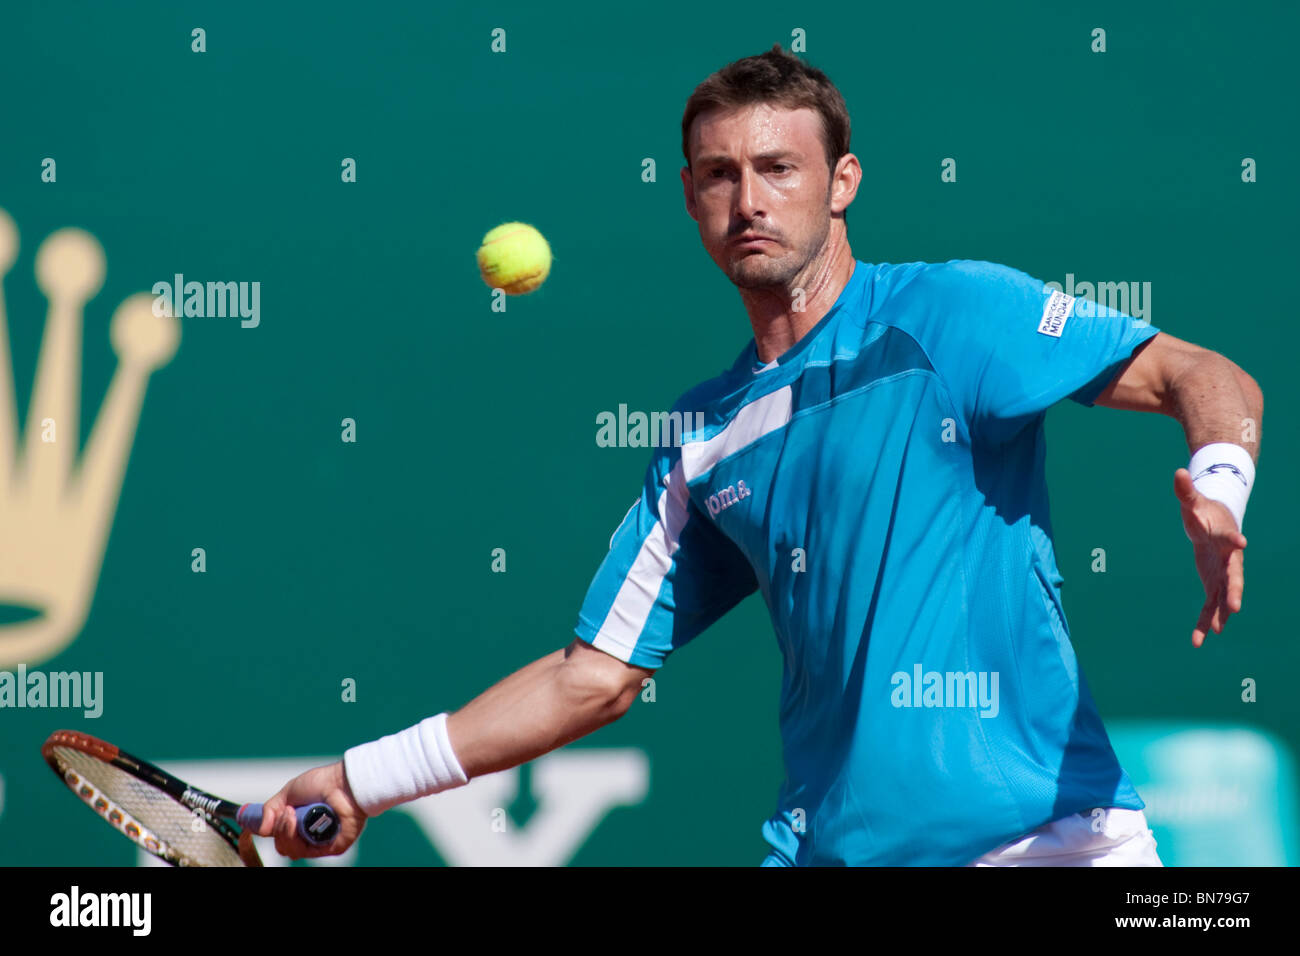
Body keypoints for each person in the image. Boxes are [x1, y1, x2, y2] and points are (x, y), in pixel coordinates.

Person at [254, 44, 1262, 866]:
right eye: (720, 175)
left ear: (841, 182)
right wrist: (362, 777)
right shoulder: (703, 436)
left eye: (779, 168)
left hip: (1052, 845)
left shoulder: (948, 315)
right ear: (689, 196)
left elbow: (1200, 372)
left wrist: (1220, 481)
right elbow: (589, 677)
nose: (750, 201)